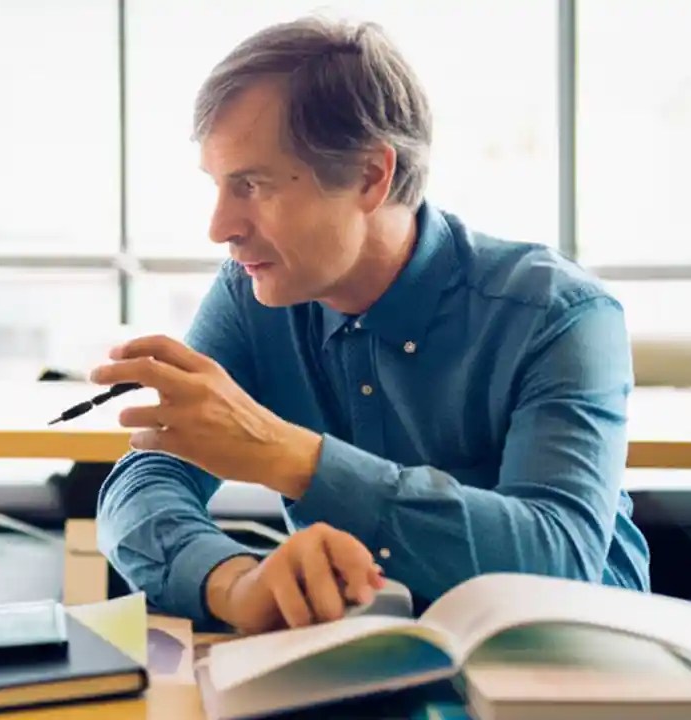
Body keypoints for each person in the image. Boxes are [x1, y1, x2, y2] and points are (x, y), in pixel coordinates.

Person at [92, 17, 649, 634]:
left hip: (569, 661)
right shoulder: (252, 296)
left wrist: (295, 459)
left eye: (252, 185)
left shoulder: (559, 314)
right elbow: (145, 478)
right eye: (219, 186)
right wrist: (232, 582)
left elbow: (559, 558)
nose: (220, 226)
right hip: (351, 655)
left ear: (369, 176)